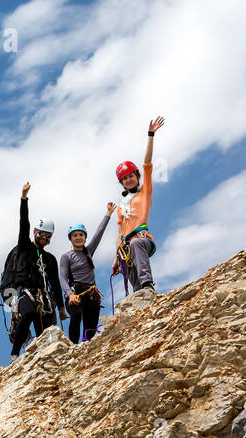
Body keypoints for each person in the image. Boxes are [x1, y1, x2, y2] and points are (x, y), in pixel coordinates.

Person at [0, 182, 63, 357]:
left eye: (47, 235)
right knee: (28, 313)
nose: (44, 237)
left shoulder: (50, 259)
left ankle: (46, 355)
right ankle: (14, 354)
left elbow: (55, 283)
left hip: (44, 296)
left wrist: (62, 309)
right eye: (41, 233)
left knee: (46, 326)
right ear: (35, 232)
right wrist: (24, 198)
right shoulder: (24, 247)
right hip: (23, 292)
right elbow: (23, 223)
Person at [111, 116, 166, 294]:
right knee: (135, 288)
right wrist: (115, 259)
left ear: (137, 176)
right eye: (124, 179)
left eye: (130, 176)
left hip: (142, 240)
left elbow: (147, 164)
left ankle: (148, 284)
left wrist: (150, 135)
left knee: (136, 246)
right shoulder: (121, 206)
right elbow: (120, 234)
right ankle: (140, 298)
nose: (128, 180)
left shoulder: (145, 192)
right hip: (125, 247)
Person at [60, 203, 114, 343]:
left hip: (91, 293)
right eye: (75, 235)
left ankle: (88, 349)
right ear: (70, 238)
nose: (78, 237)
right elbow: (63, 278)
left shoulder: (88, 251)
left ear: (84, 237)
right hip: (75, 292)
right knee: (76, 316)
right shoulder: (66, 256)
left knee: (91, 326)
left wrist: (107, 214)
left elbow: (99, 233)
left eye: (81, 235)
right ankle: (73, 346)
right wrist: (70, 294)